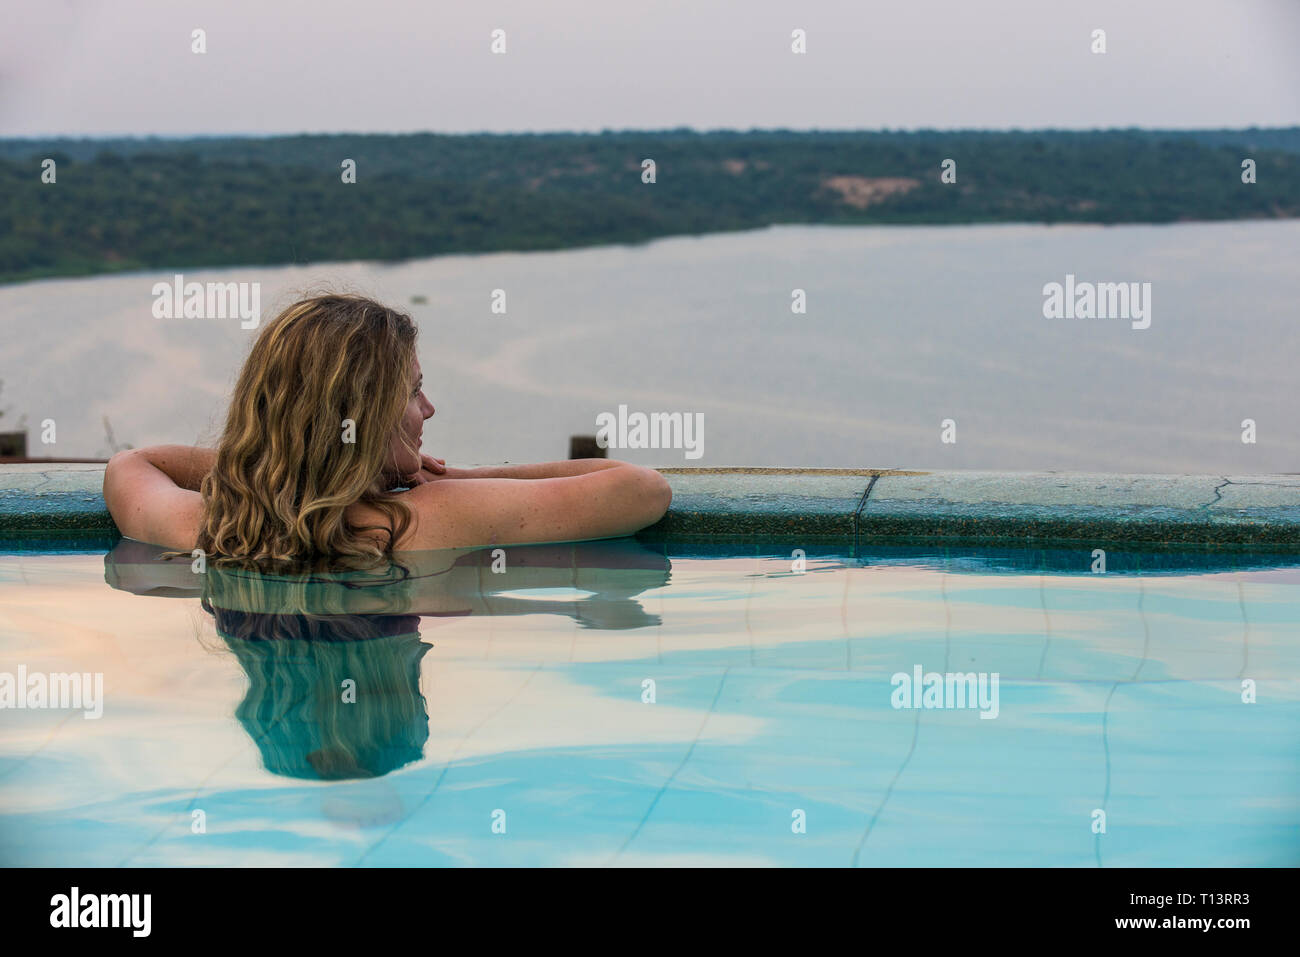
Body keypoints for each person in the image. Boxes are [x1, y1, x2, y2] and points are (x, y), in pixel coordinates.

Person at [103, 294, 671, 564]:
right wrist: (472, 476)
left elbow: (133, 463)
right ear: (363, 416)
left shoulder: (199, 529)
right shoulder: (429, 518)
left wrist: (275, 461)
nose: (428, 409)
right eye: (411, 391)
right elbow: (643, 489)